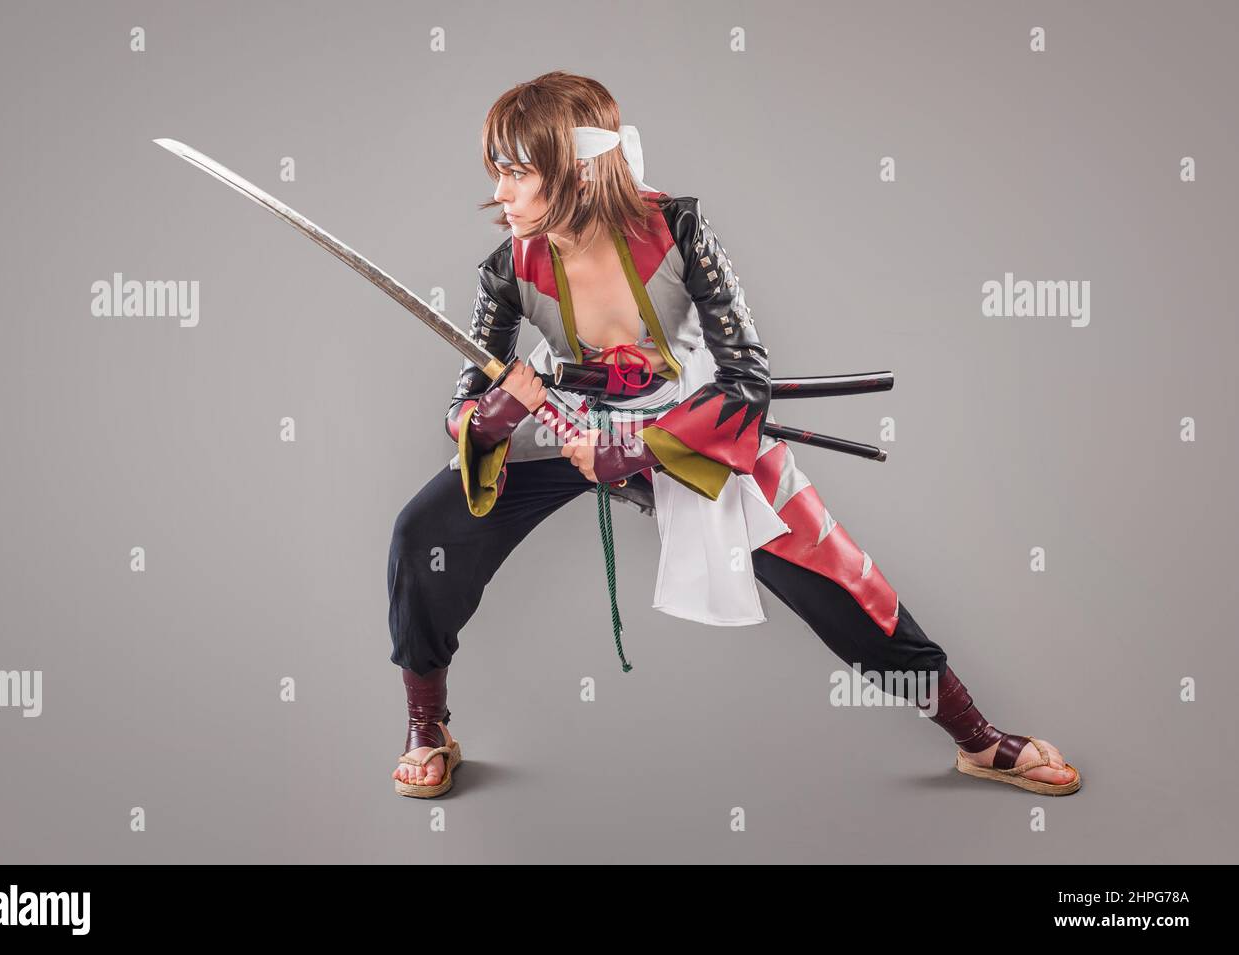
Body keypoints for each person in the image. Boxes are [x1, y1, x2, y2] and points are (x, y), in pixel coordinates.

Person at [387, 71, 1080, 799]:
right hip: (568, 415)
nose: (499, 193)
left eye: (518, 172)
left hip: (693, 419)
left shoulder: (678, 227)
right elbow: (463, 404)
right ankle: (427, 722)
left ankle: (975, 735)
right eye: (498, 171)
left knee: (838, 576)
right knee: (423, 532)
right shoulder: (506, 268)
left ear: (580, 172)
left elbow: (746, 381)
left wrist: (629, 450)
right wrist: (496, 417)